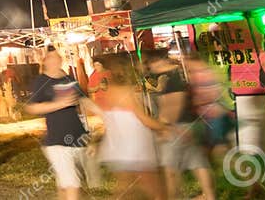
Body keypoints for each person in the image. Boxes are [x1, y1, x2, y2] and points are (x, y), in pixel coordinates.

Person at [145, 50, 216, 200]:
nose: (150, 68)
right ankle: (210, 196)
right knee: (198, 164)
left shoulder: (173, 78)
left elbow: (174, 105)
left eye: (150, 64)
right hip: (190, 124)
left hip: (177, 127)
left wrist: (163, 127)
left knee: (171, 170)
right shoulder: (177, 74)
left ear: (159, 61)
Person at [24, 49, 94, 200]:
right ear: (45, 61)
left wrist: (105, 114)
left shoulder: (68, 79)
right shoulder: (41, 81)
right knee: (73, 184)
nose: (55, 60)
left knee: (65, 185)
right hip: (57, 141)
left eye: (58, 57)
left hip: (77, 138)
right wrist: (58, 104)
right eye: (51, 57)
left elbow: (84, 100)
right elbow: (31, 107)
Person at [97, 57, 165, 200]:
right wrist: (163, 127)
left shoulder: (109, 92)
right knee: (156, 190)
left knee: (125, 190)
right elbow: (143, 119)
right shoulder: (126, 93)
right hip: (135, 149)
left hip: (117, 148)